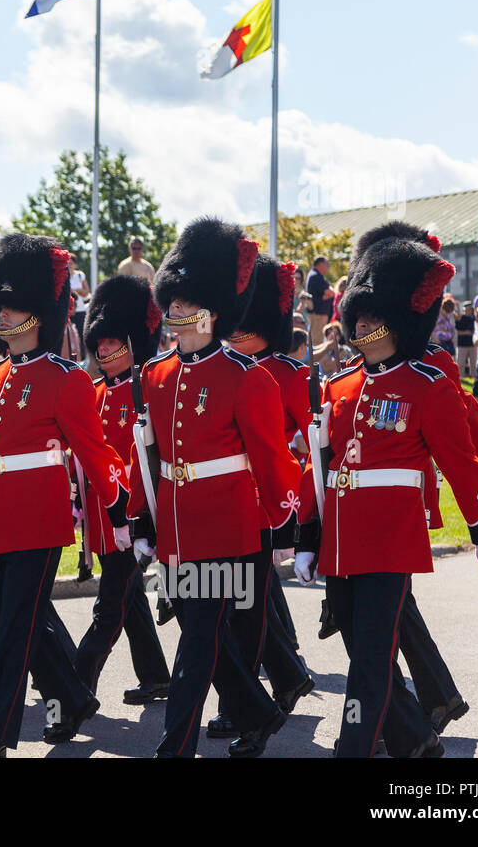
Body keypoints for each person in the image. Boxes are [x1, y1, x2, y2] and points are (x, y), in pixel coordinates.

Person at [294, 229, 478, 758]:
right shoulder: (340, 386)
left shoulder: (426, 386)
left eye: (371, 318)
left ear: (399, 321)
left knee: (367, 662)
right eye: (357, 317)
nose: (361, 325)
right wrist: (306, 534)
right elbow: (323, 466)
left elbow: (462, 463)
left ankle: (354, 748)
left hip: (391, 542)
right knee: (366, 650)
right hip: (340, 543)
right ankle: (415, 739)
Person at [129, 217, 298, 758]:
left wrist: (285, 523)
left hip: (229, 527)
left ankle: (172, 746)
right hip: (178, 527)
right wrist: (140, 518)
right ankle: (260, 711)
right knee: (211, 638)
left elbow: (271, 458)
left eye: (183, 303)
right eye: (170, 301)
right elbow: (148, 455)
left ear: (210, 309)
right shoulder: (155, 375)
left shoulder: (247, 375)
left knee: (198, 640)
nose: (173, 310)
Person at [0, 233, 128, 758]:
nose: (2, 319)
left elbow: (94, 451)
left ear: (36, 315)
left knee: (13, 628)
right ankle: (73, 697)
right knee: (22, 620)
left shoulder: (66, 379)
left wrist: (119, 508)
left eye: (11, 311)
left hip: (40, 516)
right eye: (0, 310)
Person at [215, 256, 317, 740]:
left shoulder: (290, 373)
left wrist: (298, 513)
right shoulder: (221, 368)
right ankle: (289, 678)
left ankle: (240, 707)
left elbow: (314, 441)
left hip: (268, 504)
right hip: (224, 501)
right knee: (233, 606)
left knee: (246, 608)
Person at [72, 275, 171, 706]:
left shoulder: (146, 388)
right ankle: (156, 676)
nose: (103, 351)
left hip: (132, 514)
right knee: (129, 600)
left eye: (113, 344)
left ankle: (76, 680)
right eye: (101, 344)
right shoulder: (93, 393)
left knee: (110, 603)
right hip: (102, 512)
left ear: (132, 342)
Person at [305, 255, 335, 344]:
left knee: (317, 340)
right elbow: (330, 293)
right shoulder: (316, 276)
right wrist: (329, 292)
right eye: (326, 264)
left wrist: (328, 294)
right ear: (320, 264)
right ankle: (314, 358)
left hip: (318, 314)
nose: (328, 266)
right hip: (317, 315)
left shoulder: (316, 275)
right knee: (316, 342)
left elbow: (329, 293)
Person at [68, 254, 90, 351]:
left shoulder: (80, 275)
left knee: (82, 334)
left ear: (75, 264)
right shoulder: (63, 275)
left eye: (71, 263)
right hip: (68, 311)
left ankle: (83, 356)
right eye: (67, 263)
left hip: (80, 309)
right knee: (69, 334)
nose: (69, 265)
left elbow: (86, 292)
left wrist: (76, 290)